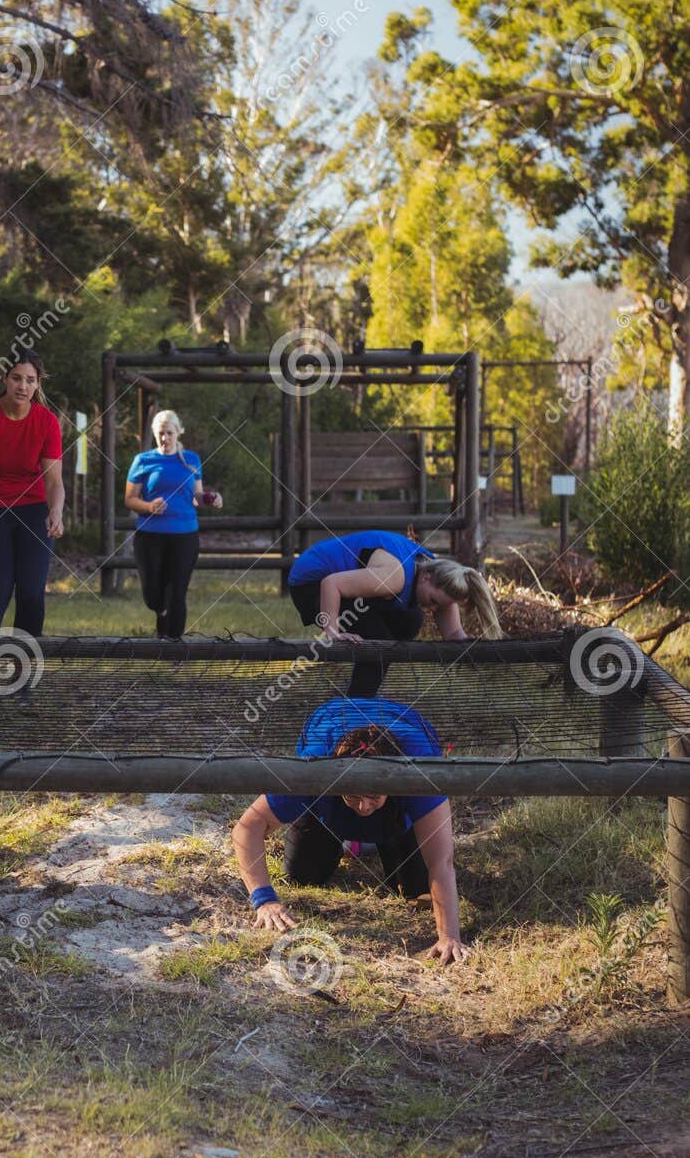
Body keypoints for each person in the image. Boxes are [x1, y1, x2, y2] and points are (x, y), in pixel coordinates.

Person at [231, 696, 468, 966]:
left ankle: (369, 841)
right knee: (303, 875)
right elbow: (246, 828)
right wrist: (264, 900)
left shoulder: (417, 773)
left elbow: (442, 862)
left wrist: (449, 935)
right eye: (352, 796)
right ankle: (345, 838)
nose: (364, 806)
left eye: (373, 797)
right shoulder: (314, 770)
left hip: (395, 816)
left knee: (415, 887)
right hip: (327, 805)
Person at [288, 529, 501, 694]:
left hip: (348, 586)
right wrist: (332, 631)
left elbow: (455, 636)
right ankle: (357, 705)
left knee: (412, 620)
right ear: (426, 578)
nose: (433, 609)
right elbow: (331, 584)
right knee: (380, 643)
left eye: (440, 605)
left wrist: (471, 646)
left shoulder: (434, 571)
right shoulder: (394, 577)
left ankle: (361, 684)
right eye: (433, 601)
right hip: (310, 583)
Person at [0, 350, 65, 640]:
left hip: (33, 511)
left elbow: (54, 482)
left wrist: (56, 510)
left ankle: (23, 676)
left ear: (38, 384)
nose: (23, 386)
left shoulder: (47, 422)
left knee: (31, 594)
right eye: (16, 378)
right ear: (4, 378)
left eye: (30, 380)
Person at [125, 408, 223, 639]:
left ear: (178, 433)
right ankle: (161, 614)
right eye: (160, 433)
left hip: (185, 535)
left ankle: (174, 649)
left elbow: (196, 497)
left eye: (169, 432)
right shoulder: (143, 461)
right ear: (154, 433)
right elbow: (130, 499)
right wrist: (149, 507)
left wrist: (212, 498)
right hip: (149, 536)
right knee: (152, 595)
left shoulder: (191, 460)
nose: (165, 438)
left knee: (177, 593)